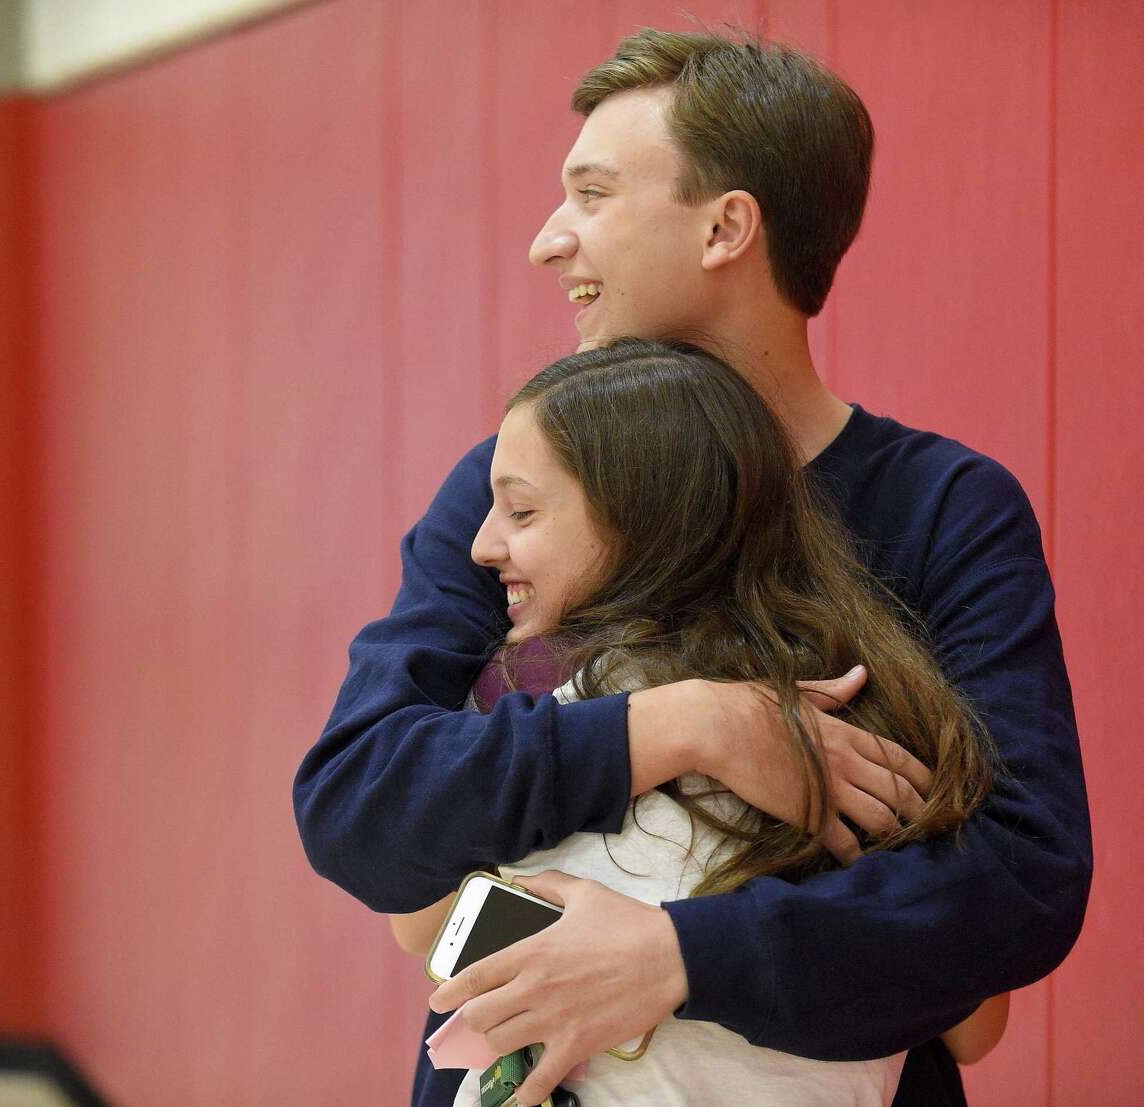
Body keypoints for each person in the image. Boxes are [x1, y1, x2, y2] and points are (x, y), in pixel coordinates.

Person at [293, 28, 1090, 1107]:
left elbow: (1019, 891)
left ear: (726, 228)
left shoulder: (946, 508)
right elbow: (364, 808)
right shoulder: (507, 484)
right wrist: (688, 727)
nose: (547, 242)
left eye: (593, 194)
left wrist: (675, 957)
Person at [389, 339, 1011, 1106]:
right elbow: (976, 1019)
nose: (482, 546)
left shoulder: (522, 703)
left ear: (640, 518)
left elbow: (414, 913)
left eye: (521, 509)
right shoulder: (881, 711)